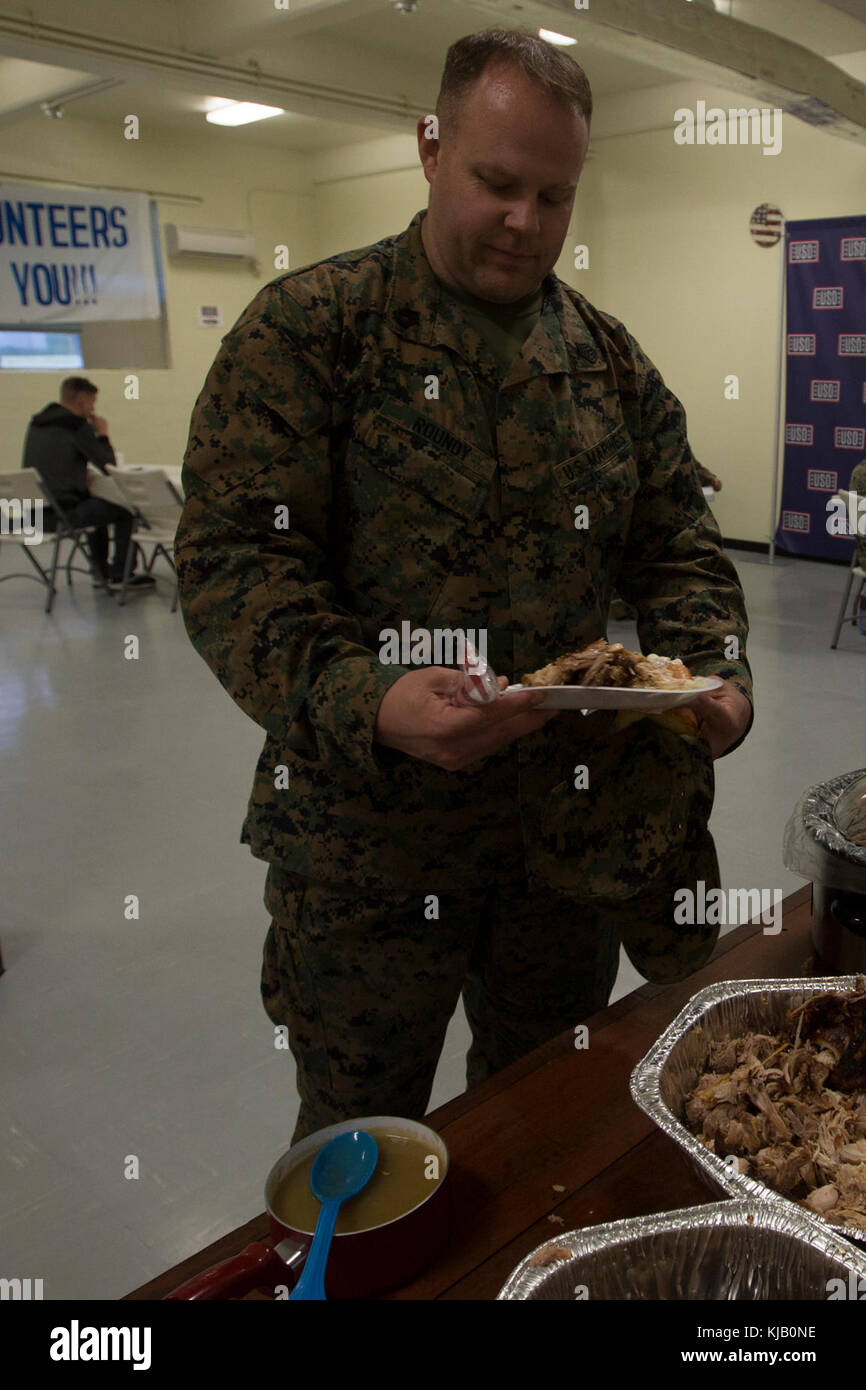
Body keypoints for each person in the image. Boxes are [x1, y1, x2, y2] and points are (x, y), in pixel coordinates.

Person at [175, 29, 754, 1144]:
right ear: (431, 148)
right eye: (496, 182)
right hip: (367, 853)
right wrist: (368, 699)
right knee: (359, 1141)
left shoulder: (606, 359)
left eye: (554, 194)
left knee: (542, 1113)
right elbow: (234, 564)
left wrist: (714, 673)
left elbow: (676, 540)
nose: (524, 222)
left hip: (566, 845)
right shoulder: (309, 335)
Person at [22, 376, 154, 590]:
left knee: (96, 504)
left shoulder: (36, 424)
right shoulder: (76, 426)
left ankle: (100, 573)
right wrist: (102, 434)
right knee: (124, 510)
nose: (93, 407)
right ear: (82, 400)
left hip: (33, 517)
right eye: (93, 401)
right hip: (61, 516)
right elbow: (108, 466)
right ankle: (122, 574)